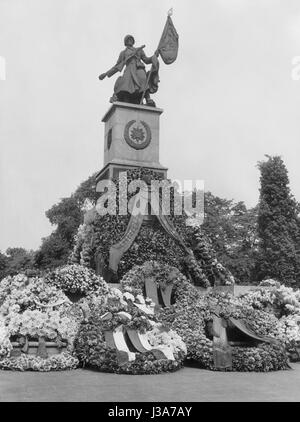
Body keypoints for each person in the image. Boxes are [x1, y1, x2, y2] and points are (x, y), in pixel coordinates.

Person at [99, 35, 159, 106]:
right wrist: (106, 74)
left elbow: (146, 60)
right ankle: (126, 99)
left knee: (143, 80)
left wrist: (154, 56)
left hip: (139, 67)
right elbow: (117, 65)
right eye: (128, 40)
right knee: (126, 83)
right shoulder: (123, 53)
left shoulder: (139, 50)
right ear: (125, 42)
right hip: (129, 69)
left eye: (131, 39)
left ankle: (148, 99)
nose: (130, 41)